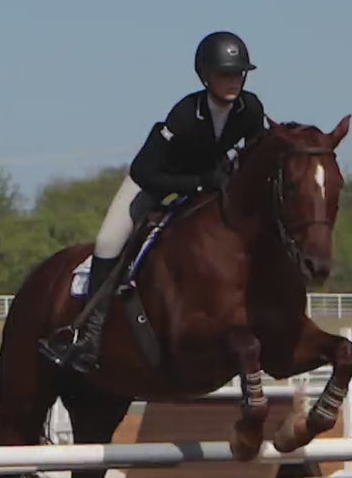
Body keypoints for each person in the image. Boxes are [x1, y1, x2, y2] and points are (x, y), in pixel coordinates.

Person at [39, 30, 268, 374]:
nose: (233, 81)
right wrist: (199, 181)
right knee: (107, 242)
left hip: (203, 192)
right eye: (224, 73)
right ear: (205, 75)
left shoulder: (250, 110)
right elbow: (144, 170)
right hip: (154, 183)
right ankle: (88, 336)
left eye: (238, 73)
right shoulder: (186, 114)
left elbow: (255, 158)